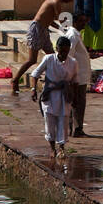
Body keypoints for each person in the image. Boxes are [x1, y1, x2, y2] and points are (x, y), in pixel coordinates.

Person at [12, 0, 75, 92]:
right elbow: (61, 19)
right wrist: (71, 28)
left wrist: (60, 29)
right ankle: (15, 80)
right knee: (32, 60)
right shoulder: (56, 1)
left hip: (44, 30)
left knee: (52, 55)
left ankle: (53, 80)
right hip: (37, 29)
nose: (72, 0)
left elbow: (49, 19)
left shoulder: (55, 0)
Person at [31, 35, 77, 166]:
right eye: (61, 51)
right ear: (57, 49)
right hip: (50, 95)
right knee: (50, 121)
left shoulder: (73, 62)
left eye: (66, 52)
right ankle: (52, 148)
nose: (63, 54)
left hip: (64, 96)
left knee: (63, 121)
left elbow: (74, 81)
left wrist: (74, 96)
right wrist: (33, 89)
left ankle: (61, 148)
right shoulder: (48, 59)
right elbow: (35, 74)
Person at [60, 12, 92, 136]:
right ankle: (77, 129)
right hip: (77, 76)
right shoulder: (73, 36)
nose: (84, 24)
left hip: (80, 74)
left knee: (76, 102)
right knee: (78, 103)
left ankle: (73, 129)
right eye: (81, 21)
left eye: (85, 21)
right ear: (74, 22)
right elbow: (69, 55)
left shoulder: (75, 35)